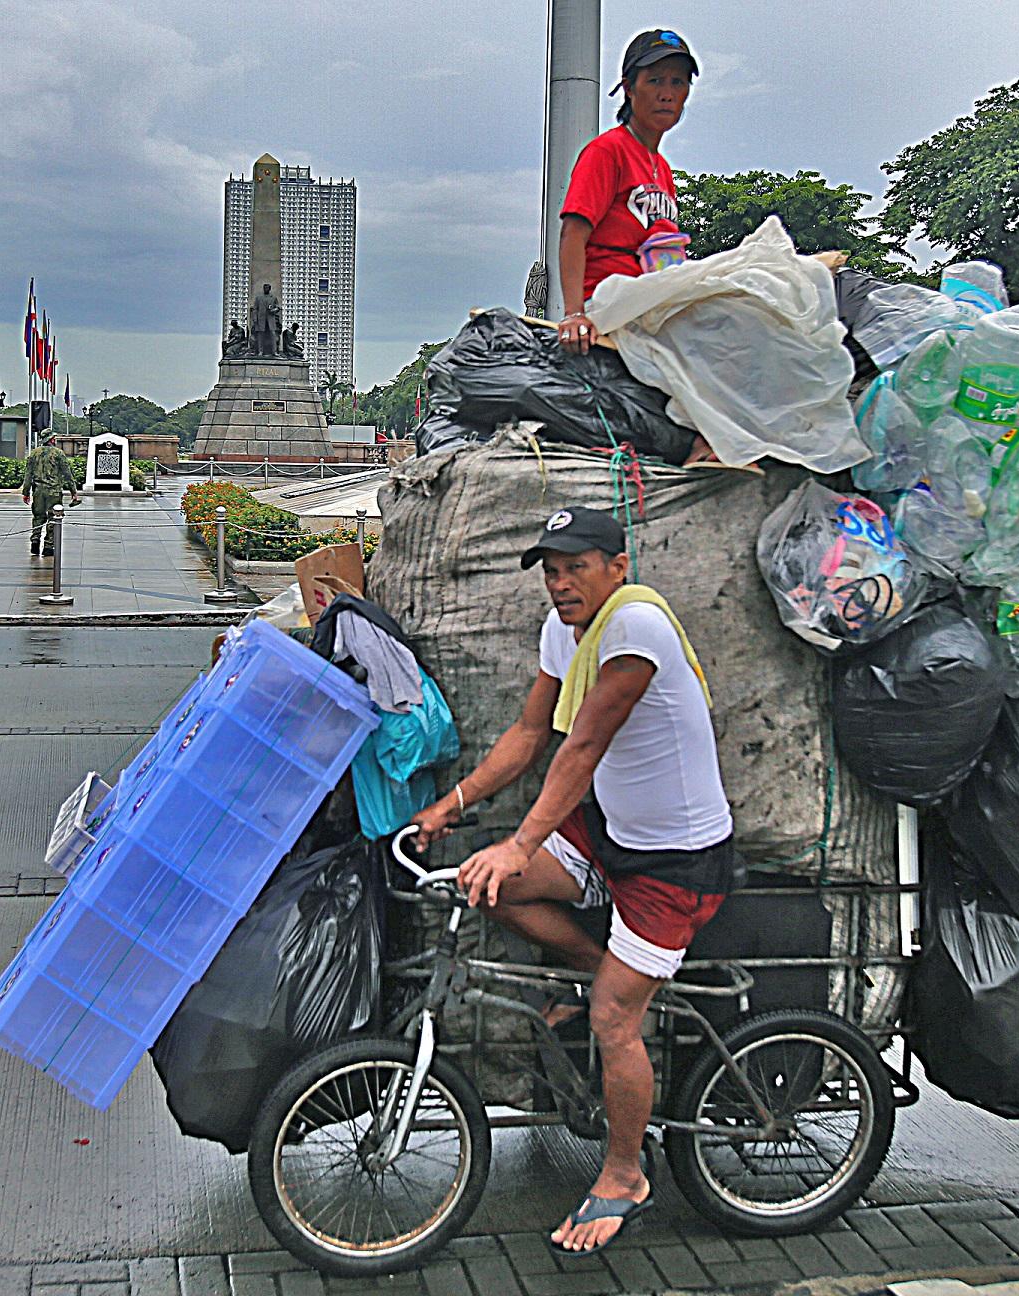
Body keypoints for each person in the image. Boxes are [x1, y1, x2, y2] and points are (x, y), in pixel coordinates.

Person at [409, 505, 735, 1257]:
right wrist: (449, 808)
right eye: (550, 571)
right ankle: (598, 972)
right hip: (613, 831)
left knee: (614, 1024)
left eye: (575, 566)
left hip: (676, 860)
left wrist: (522, 842)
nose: (560, 583)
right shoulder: (565, 631)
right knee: (488, 887)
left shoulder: (637, 627)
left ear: (618, 567)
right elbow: (532, 733)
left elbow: (583, 745)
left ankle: (624, 1176)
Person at [555, 29, 698, 358]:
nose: (667, 94)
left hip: (649, 305)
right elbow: (574, 233)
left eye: (678, 83)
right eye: (655, 81)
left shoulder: (662, 168)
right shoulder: (607, 151)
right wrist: (574, 314)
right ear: (629, 87)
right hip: (608, 304)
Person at [20, 437, 78, 556]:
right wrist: (73, 491)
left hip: (38, 491)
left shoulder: (34, 453)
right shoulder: (58, 453)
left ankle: (35, 542)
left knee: (38, 517)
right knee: (53, 517)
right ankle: (48, 546)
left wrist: (26, 492)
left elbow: (28, 475)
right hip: (54, 491)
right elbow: (67, 474)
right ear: (51, 440)